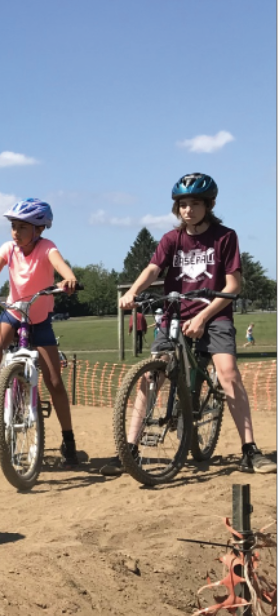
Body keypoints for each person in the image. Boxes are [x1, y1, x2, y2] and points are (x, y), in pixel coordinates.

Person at [114, 173, 275, 474]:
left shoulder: (225, 237)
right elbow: (152, 270)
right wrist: (133, 292)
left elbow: (232, 286)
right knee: (151, 377)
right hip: (175, 314)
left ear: (209, 205)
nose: (188, 210)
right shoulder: (171, 240)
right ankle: (130, 450)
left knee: (228, 374)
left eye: (195, 203)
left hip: (214, 314)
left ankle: (250, 450)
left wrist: (204, 315)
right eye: (183, 204)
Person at [0, 199, 82, 467]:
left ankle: (69, 440)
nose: (15, 232)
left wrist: (69, 279)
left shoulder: (46, 247)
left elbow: (60, 265)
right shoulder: (8, 248)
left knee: (54, 381)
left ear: (39, 230)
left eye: (22, 227)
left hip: (39, 320)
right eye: (13, 226)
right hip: (15, 313)